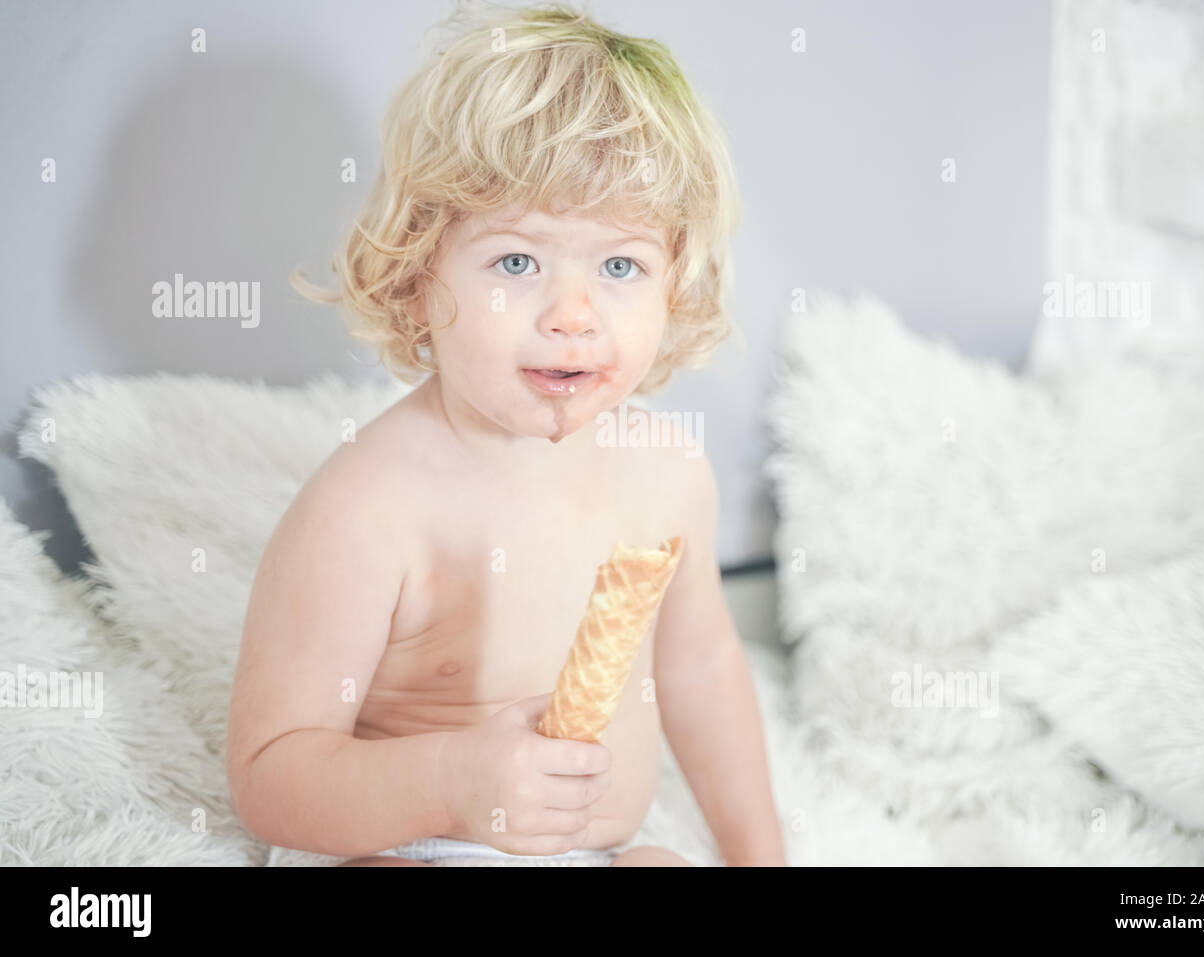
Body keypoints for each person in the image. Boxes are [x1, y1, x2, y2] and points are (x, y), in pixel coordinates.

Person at [224, 1, 785, 867]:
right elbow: (269, 775)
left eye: (620, 265)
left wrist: (758, 851)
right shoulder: (368, 504)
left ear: (676, 283)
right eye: (516, 261)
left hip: (593, 847)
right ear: (418, 277)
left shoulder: (669, 473)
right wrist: (453, 778)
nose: (572, 315)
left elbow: (701, 669)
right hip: (404, 838)